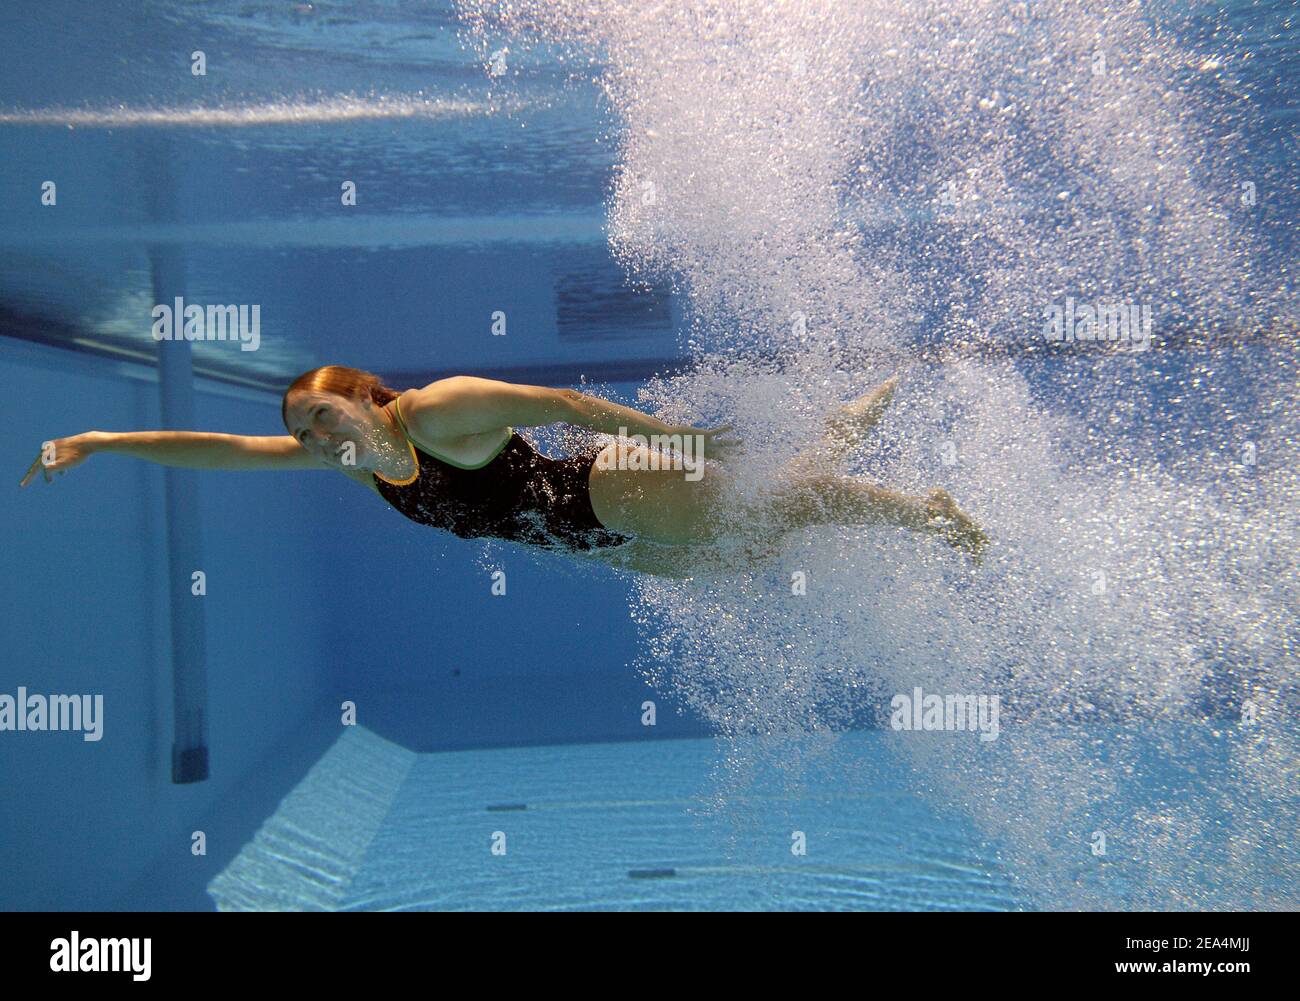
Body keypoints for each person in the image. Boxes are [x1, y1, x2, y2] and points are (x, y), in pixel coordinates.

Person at [21, 366, 987, 579]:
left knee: (773, 510)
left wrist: (688, 442)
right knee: (759, 538)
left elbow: (561, 406)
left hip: (604, 486)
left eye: (322, 416)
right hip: (601, 542)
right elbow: (220, 452)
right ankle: (847, 425)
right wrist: (102, 442)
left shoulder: (436, 411)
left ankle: (922, 508)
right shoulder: (361, 466)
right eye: (304, 432)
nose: (315, 438)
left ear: (364, 395)